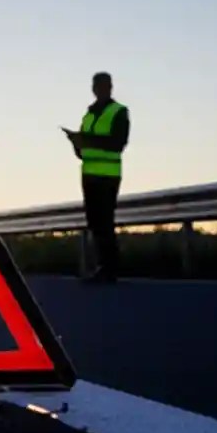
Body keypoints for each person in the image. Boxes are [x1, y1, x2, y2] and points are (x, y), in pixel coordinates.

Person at [65, 71, 129, 283]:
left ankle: (110, 268)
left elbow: (118, 143)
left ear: (110, 87)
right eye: (97, 86)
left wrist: (87, 140)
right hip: (88, 174)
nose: (100, 89)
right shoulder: (89, 114)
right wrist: (77, 143)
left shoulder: (118, 111)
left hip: (108, 175)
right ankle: (102, 266)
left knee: (104, 221)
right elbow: (83, 153)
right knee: (94, 222)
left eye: (104, 86)